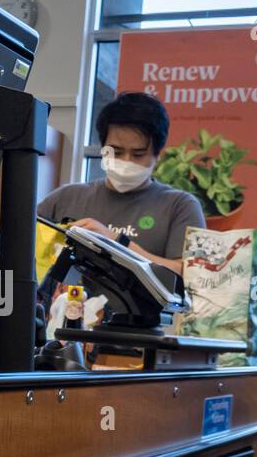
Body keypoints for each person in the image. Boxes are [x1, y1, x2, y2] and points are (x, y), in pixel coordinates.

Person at [37, 92, 204, 302]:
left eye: (138, 154)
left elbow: (187, 277)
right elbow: (13, 249)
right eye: (116, 151)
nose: (126, 161)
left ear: (157, 154)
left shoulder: (180, 206)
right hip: (63, 326)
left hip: (142, 333)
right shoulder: (65, 198)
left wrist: (116, 242)